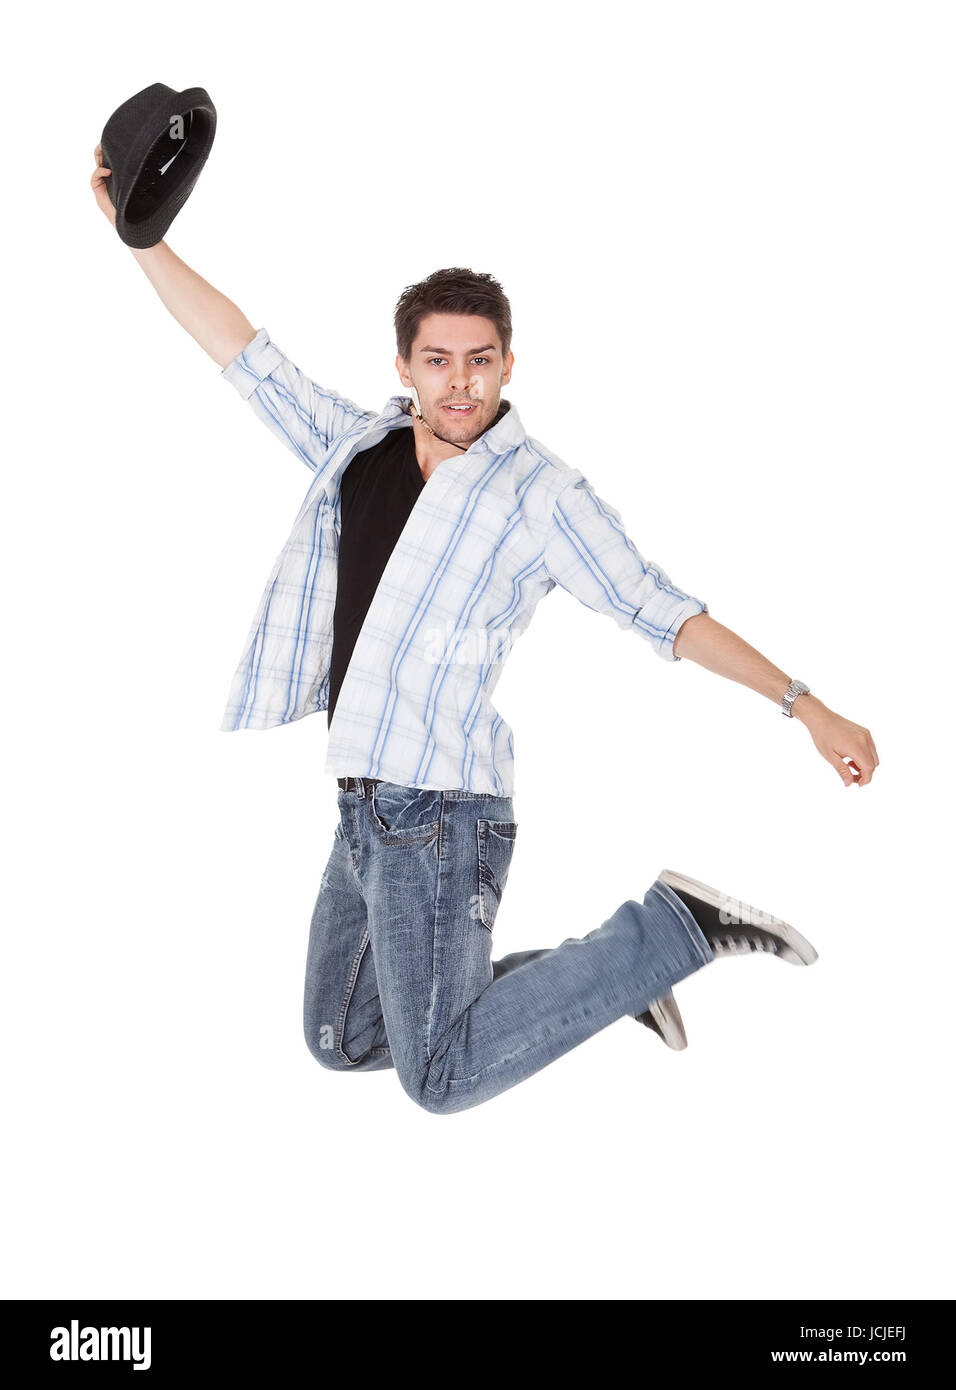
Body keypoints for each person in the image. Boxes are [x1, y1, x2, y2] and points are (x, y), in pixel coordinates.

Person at [91, 146, 880, 1115]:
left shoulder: (541, 496)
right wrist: (140, 237)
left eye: (479, 360)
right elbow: (241, 352)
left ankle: (674, 929)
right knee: (340, 1037)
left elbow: (663, 612)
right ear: (403, 366)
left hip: (439, 810)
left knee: (442, 1076)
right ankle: (603, 982)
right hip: (359, 804)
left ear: (509, 361)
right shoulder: (357, 449)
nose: (458, 383)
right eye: (437, 361)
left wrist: (805, 707)